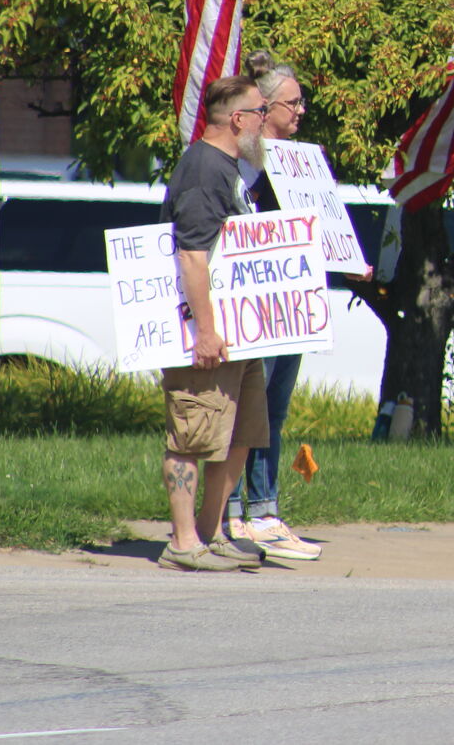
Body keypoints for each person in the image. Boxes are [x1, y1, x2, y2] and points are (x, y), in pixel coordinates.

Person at [156, 73, 272, 572]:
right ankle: (183, 543)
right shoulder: (205, 168)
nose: (266, 124)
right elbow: (192, 257)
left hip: (238, 337)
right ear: (238, 119)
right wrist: (205, 330)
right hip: (206, 334)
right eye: (261, 113)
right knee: (192, 433)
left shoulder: (229, 169)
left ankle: (211, 532)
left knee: (240, 433)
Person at [221, 50, 324, 561]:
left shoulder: (301, 165)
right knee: (249, 411)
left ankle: (260, 508)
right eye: (292, 102)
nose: (300, 110)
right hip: (255, 310)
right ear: (264, 108)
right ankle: (240, 510)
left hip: (292, 307)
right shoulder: (246, 167)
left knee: (273, 411)